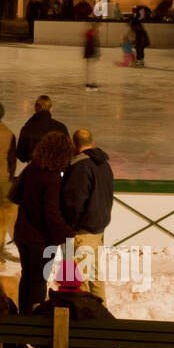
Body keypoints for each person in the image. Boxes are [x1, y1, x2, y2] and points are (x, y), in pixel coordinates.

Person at [11, 131, 76, 312]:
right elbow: (51, 213)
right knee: (39, 280)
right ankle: (34, 320)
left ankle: (23, 317)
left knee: (27, 277)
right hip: (41, 240)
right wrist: (68, 233)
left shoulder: (32, 168)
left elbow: (17, 196)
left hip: (23, 234)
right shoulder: (52, 178)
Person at [32, 262, 120, 348]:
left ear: (59, 280)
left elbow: (34, 341)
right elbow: (115, 333)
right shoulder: (94, 305)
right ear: (79, 280)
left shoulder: (48, 307)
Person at [61, 129, 114, 301]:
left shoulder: (80, 167)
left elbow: (74, 202)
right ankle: (101, 316)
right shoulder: (104, 164)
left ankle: (84, 320)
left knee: (81, 280)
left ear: (74, 145)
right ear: (92, 142)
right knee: (95, 277)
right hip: (97, 229)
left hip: (82, 232)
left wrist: (70, 226)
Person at [16, 95, 70, 163]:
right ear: (51, 109)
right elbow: (69, 151)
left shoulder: (27, 128)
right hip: (56, 169)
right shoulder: (61, 127)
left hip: (35, 168)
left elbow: (21, 155)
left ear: (35, 108)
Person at [82, 24, 99, 90]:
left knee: (90, 69)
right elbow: (90, 49)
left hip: (89, 56)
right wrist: (94, 54)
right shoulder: (90, 40)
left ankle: (89, 82)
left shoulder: (89, 39)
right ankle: (89, 83)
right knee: (90, 69)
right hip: (90, 56)